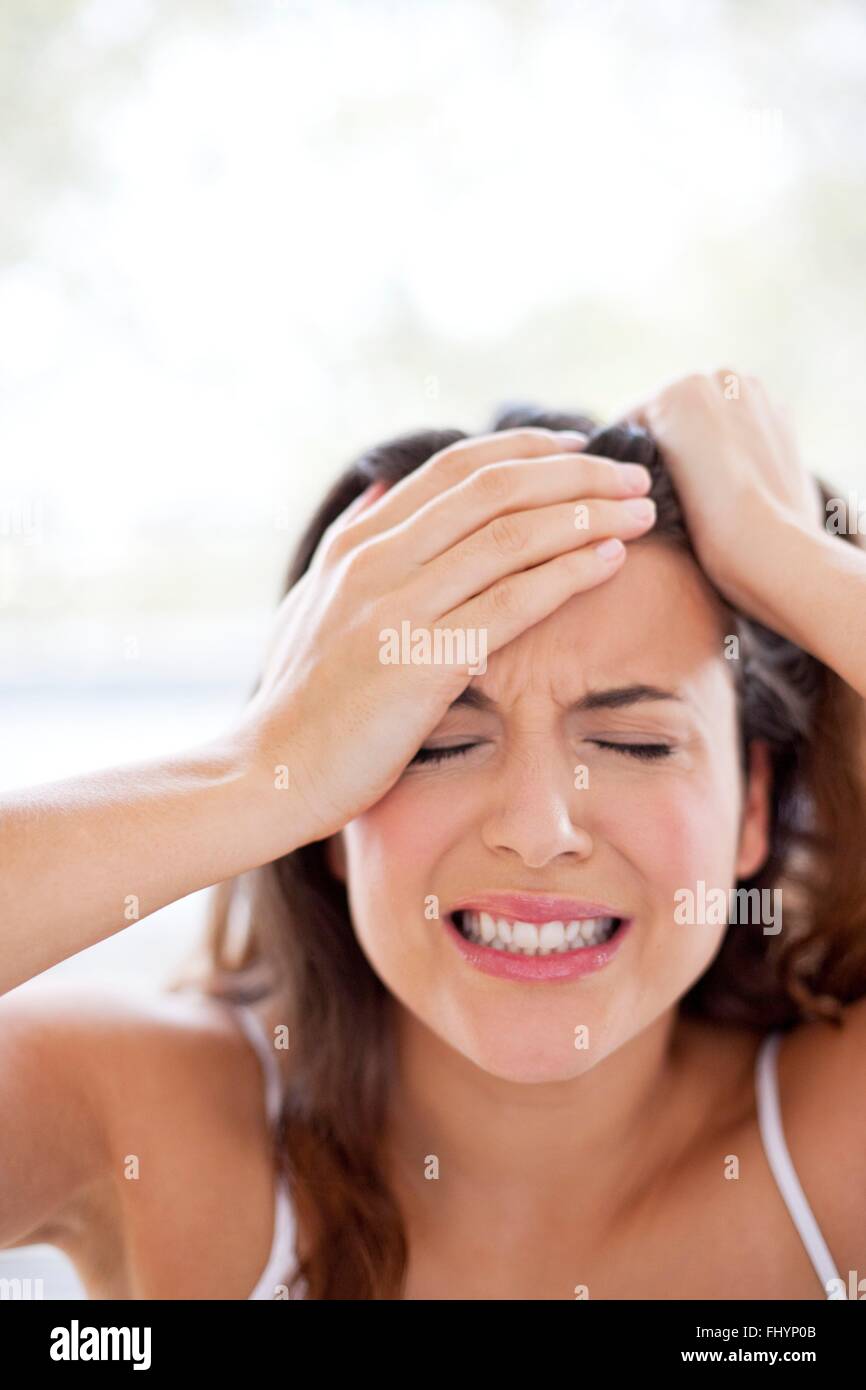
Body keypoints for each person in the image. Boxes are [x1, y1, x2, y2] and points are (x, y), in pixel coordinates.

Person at [2, 369, 865, 1300]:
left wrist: (792, 557)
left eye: (632, 742)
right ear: (330, 816)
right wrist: (255, 774)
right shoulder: (138, 1117)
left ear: (748, 811)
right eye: (438, 744)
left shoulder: (834, 1146)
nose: (539, 831)